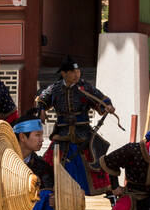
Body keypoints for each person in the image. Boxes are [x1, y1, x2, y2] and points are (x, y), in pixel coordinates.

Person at [34, 56, 118, 199]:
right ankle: (47, 191)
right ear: (64, 74)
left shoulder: (85, 87)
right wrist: (41, 110)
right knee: (48, 164)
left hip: (83, 134)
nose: (76, 75)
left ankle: (111, 194)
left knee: (97, 162)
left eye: (78, 71)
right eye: (73, 72)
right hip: (61, 133)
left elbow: (102, 99)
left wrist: (107, 106)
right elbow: (41, 99)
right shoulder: (54, 89)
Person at [12, 109, 71, 210]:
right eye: (37, 135)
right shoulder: (4, 161)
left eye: (41, 135)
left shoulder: (42, 166)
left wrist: (54, 197)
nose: (41, 140)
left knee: (52, 199)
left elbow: (49, 188)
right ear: (22, 137)